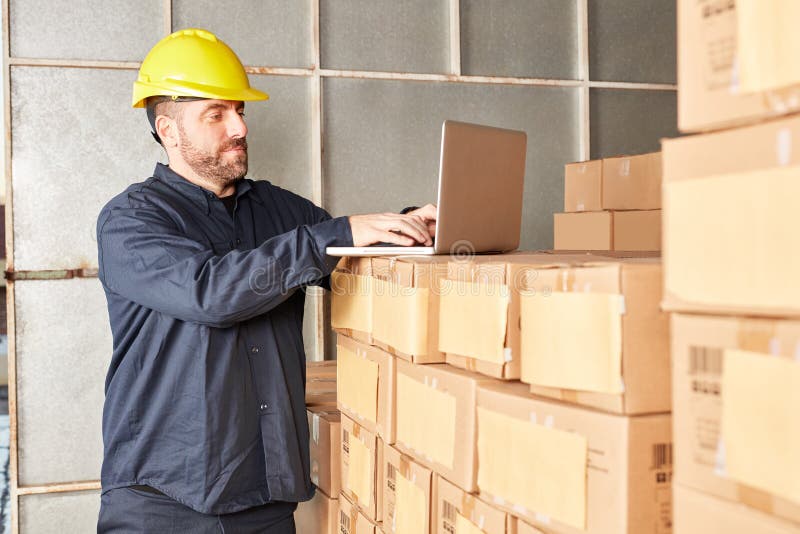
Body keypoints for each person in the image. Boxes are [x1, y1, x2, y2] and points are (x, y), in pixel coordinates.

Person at [96, 28, 436, 533]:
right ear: (168, 129)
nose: (238, 126)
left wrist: (411, 229)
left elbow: (345, 261)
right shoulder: (131, 221)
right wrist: (336, 233)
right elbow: (210, 292)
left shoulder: (276, 208)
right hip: (164, 501)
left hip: (264, 496)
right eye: (216, 114)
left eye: (240, 110)